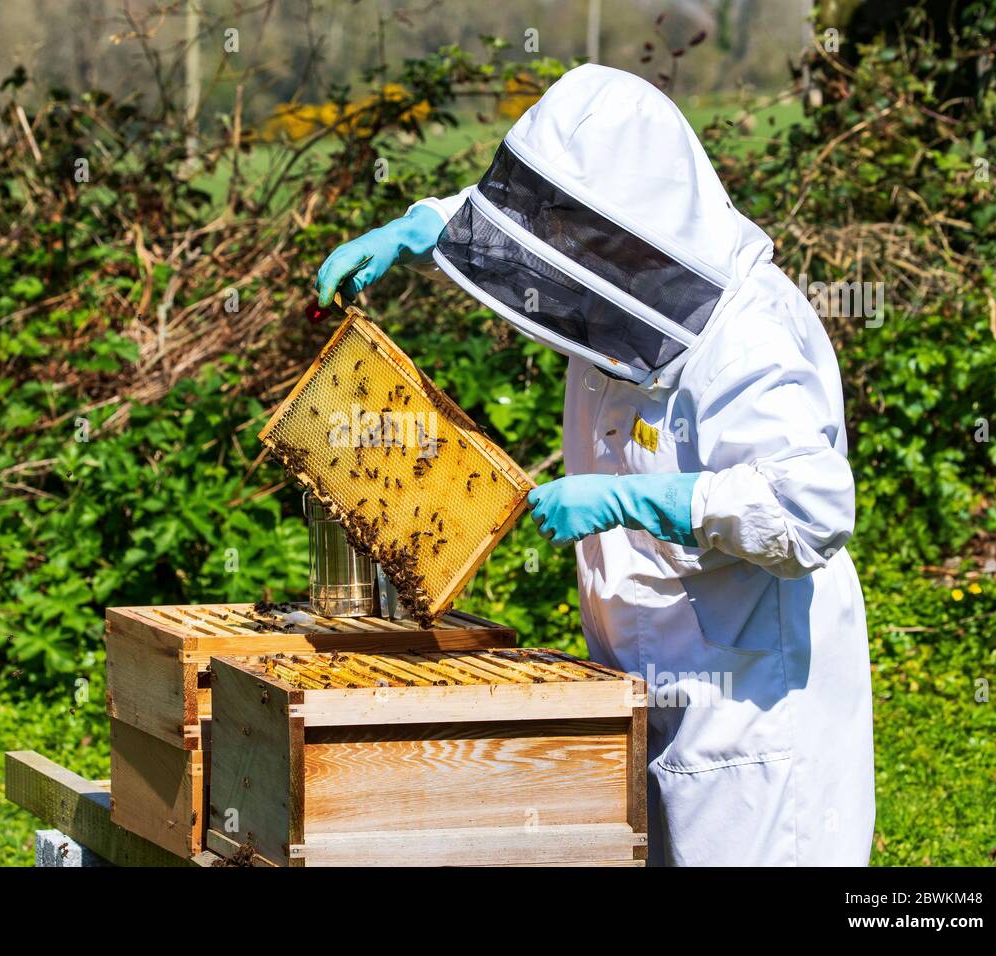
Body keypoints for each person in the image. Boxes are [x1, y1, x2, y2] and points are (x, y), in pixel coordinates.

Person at [314, 64, 874, 866]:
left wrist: (634, 502)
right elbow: (534, 232)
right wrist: (420, 230)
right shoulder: (617, 274)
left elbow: (810, 509)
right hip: (631, 665)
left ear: (637, 235)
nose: (569, 258)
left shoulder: (752, 340)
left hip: (749, 711)